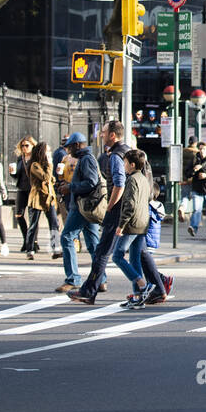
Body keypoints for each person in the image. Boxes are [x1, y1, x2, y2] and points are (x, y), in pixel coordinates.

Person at [68, 122, 135, 305]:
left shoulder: (115, 156)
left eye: (104, 132)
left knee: (102, 252)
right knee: (140, 252)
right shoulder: (128, 151)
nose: (101, 135)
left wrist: (109, 206)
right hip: (132, 208)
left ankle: (89, 291)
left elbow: (119, 183)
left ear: (112, 135)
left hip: (118, 208)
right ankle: (158, 287)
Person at [109, 149, 173, 308]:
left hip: (133, 224)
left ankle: (142, 285)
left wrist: (121, 225)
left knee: (117, 256)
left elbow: (130, 205)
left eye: (124, 163)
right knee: (134, 259)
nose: (123, 166)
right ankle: (138, 297)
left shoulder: (131, 180)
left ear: (131, 164)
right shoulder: (144, 179)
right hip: (143, 223)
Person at [55, 132, 107, 294]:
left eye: (70, 147)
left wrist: (69, 187)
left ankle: (73, 278)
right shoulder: (87, 158)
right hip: (87, 206)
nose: (68, 151)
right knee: (93, 244)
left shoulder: (86, 159)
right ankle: (101, 279)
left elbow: (91, 182)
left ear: (77, 145)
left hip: (82, 206)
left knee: (67, 237)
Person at [25, 140, 62, 260]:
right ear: (42, 152)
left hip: (48, 198)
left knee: (54, 223)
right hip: (37, 198)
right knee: (33, 225)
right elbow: (45, 177)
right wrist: (51, 165)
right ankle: (30, 249)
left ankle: (55, 248)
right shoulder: (34, 165)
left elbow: (51, 180)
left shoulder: (46, 165)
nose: (49, 153)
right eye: (48, 151)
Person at [185, 141, 206, 238]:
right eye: (201, 149)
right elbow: (187, 174)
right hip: (197, 189)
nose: (202, 151)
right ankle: (193, 228)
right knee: (197, 209)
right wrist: (194, 170)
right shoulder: (194, 160)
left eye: (204, 149)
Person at [12, 137, 36, 253]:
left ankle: (32, 243)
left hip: (33, 190)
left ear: (32, 145)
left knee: (33, 217)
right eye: (22, 146)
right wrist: (12, 173)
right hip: (21, 189)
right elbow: (17, 175)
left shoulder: (36, 158)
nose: (24, 148)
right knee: (19, 215)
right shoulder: (20, 159)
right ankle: (26, 239)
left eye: (27, 145)